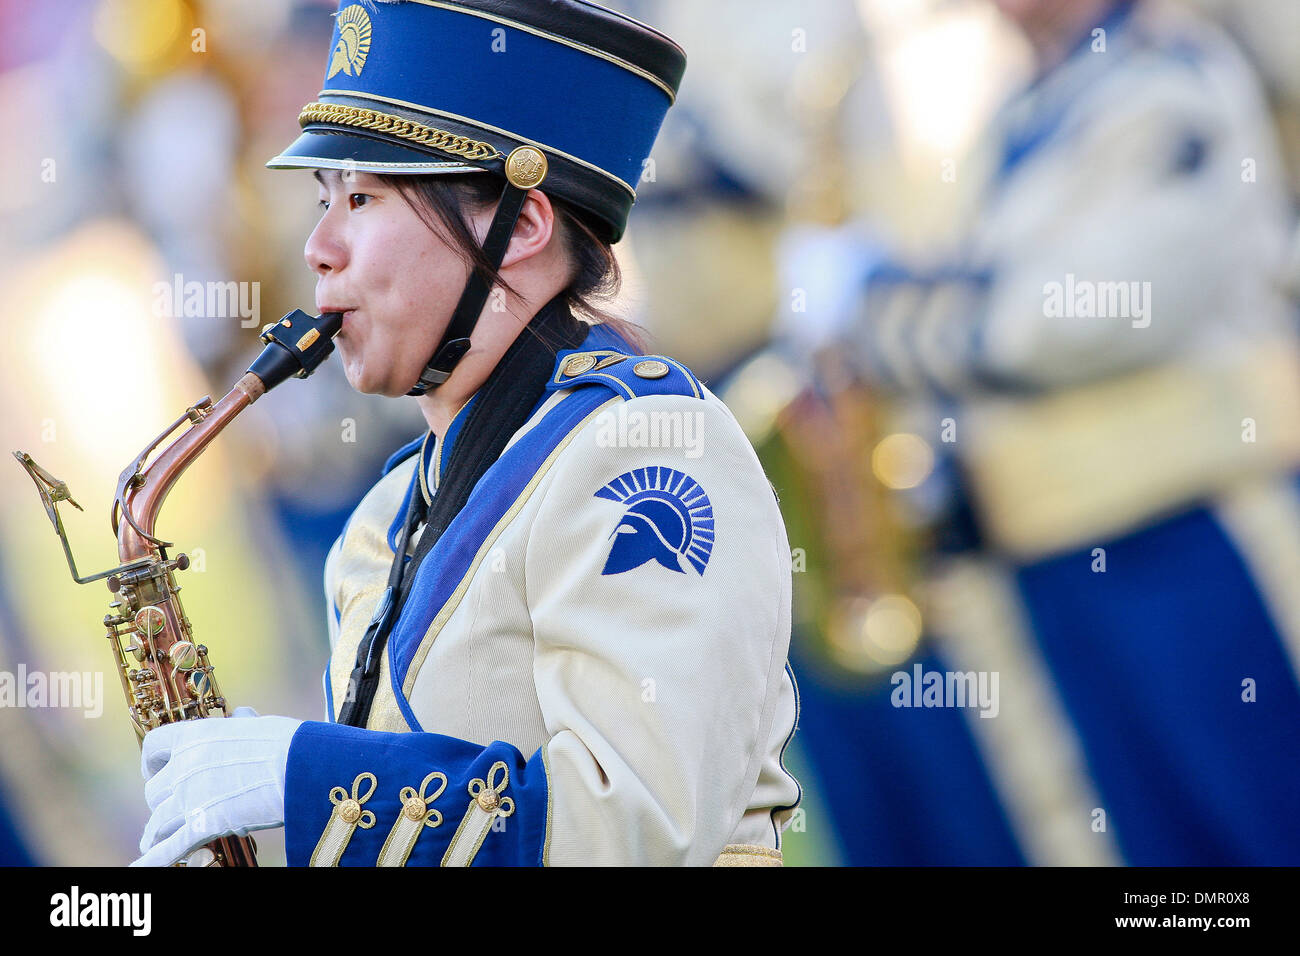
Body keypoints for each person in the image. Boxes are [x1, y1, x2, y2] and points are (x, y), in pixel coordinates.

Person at [132, 0, 800, 867]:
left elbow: (637, 827)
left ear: (521, 227)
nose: (318, 247)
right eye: (322, 197)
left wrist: (311, 778)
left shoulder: (652, 449)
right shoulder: (385, 514)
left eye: (363, 197)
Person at [776, 0, 1300, 864]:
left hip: (1192, 548)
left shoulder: (1168, 82)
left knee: (1252, 827)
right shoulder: (1026, 108)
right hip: (1061, 563)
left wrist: (869, 305)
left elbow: (1055, 325)